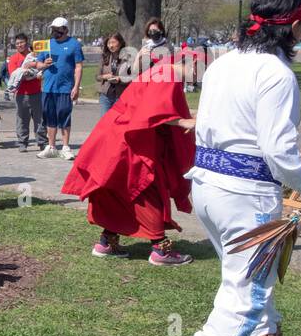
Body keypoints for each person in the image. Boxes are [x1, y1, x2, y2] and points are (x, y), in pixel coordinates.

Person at [175, 0, 301, 336]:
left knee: (244, 272)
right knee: (247, 286)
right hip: (246, 193)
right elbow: (279, 152)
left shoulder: (224, 63)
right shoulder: (277, 74)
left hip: (208, 185)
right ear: (296, 24)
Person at [61, 52, 198, 265]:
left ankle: (106, 242)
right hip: (130, 141)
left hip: (118, 136)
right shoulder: (167, 75)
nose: (199, 74)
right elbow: (152, 113)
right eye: (200, 68)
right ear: (191, 64)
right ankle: (160, 250)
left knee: (118, 190)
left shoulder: (160, 72)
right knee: (146, 189)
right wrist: (184, 123)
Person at [37, 17, 84, 160]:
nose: (54, 32)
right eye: (53, 29)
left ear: (65, 29)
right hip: (48, 88)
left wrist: (76, 86)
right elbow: (38, 64)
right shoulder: (47, 44)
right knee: (49, 117)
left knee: (64, 116)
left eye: (57, 29)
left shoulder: (74, 44)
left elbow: (78, 66)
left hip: (65, 87)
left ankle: (65, 147)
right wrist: (44, 64)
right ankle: (51, 147)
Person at [7, 33, 46, 151]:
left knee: (39, 119)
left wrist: (32, 72)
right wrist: (32, 74)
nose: (20, 45)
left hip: (36, 92)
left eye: (22, 42)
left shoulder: (36, 56)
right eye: (17, 43)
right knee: (22, 119)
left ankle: (42, 142)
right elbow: (16, 76)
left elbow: (42, 69)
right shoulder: (13, 59)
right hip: (21, 94)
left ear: (27, 42)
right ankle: (22, 142)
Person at [97, 32, 129, 112]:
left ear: (120, 43)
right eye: (109, 43)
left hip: (120, 96)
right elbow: (97, 76)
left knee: (117, 122)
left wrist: (120, 79)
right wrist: (105, 76)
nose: (111, 45)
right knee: (104, 122)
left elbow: (133, 77)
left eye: (113, 42)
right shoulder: (104, 57)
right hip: (105, 96)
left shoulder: (128, 58)